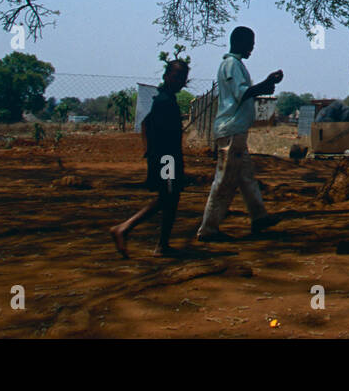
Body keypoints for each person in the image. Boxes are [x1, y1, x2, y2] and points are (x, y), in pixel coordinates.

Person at [196, 26, 283, 241]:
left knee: (246, 177)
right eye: (250, 43)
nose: (252, 47)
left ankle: (259, 216)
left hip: (237, 130)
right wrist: (266, 83)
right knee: (225, 180)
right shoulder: (231, 65)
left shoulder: (235, 65)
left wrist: (266, 84)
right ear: (240, 43)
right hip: (231, 130)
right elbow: (242, 93)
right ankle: (208, 229)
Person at [110, 59, 190, 258]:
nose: (180, 80)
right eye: (176, 76)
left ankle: (161, 244)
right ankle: (125, 228)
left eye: (183, 77)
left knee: (170, 198)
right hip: (167, 159)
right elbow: (161, 134)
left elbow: (147, 124)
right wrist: (157, 156)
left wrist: (148, 150)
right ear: (166, 76)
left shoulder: (164, 99)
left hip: (166, 158)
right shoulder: (164, 102)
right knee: (168, 198)